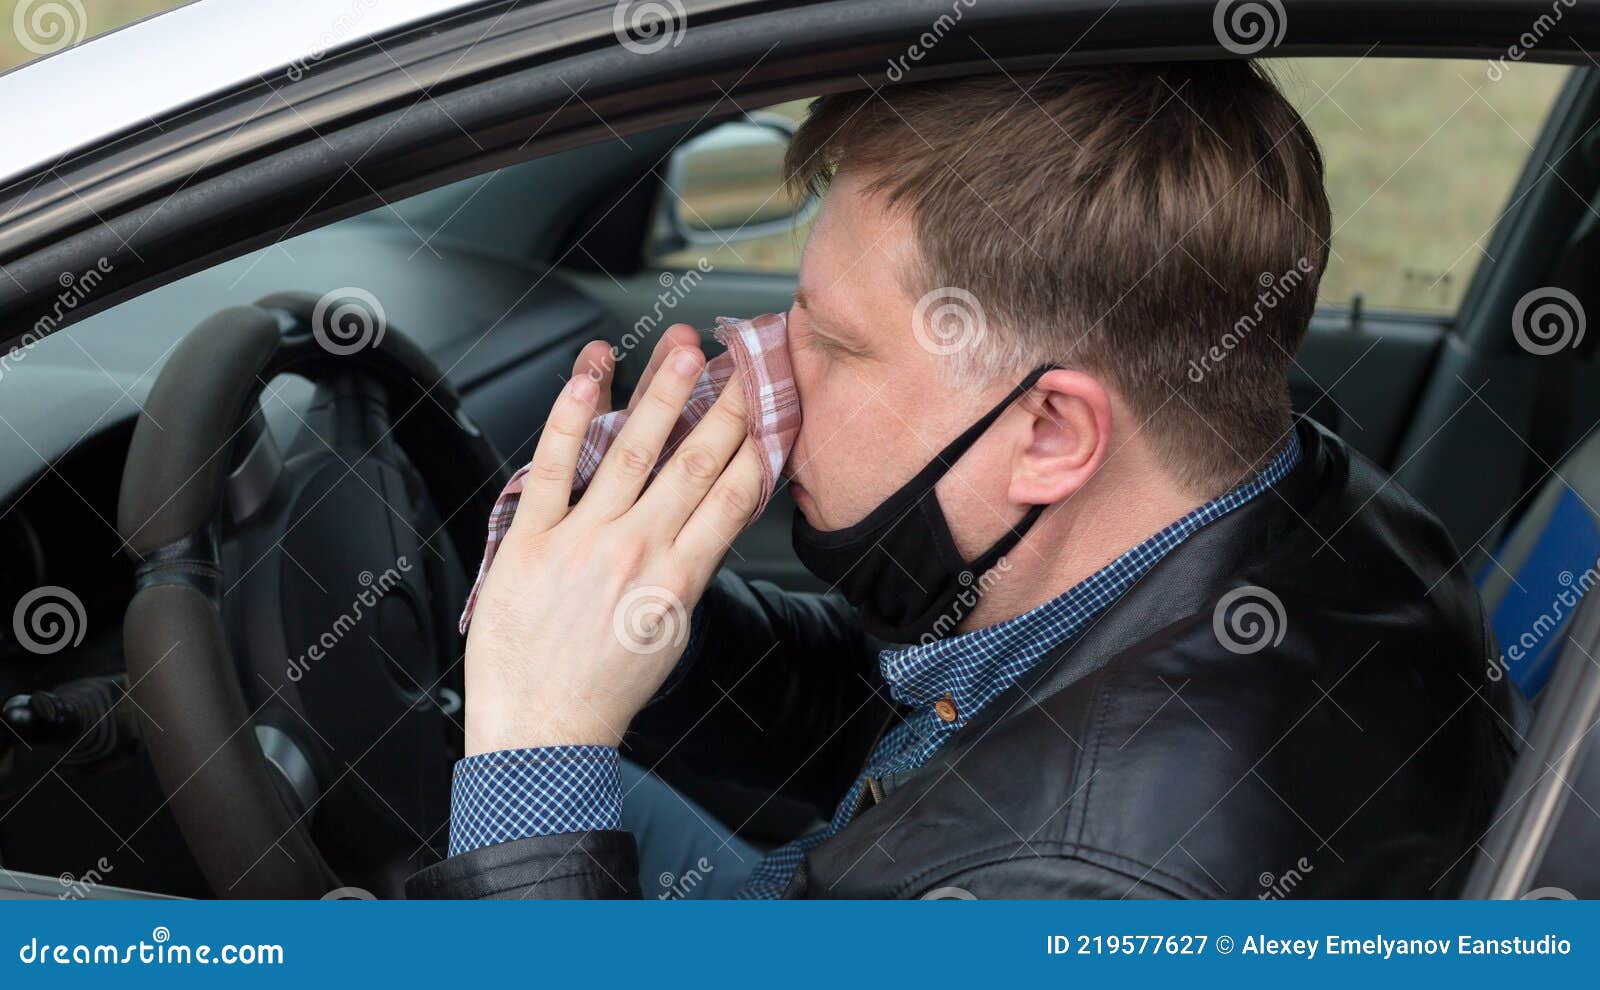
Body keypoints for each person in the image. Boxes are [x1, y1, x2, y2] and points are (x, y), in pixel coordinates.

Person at [407, 61, 1518, 900]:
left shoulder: (1074, 895)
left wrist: (535, 746)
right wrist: (637, 612)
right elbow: (929, 708)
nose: (767, 369)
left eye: (834, 345)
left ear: (1047, 431)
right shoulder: (1294, 495)